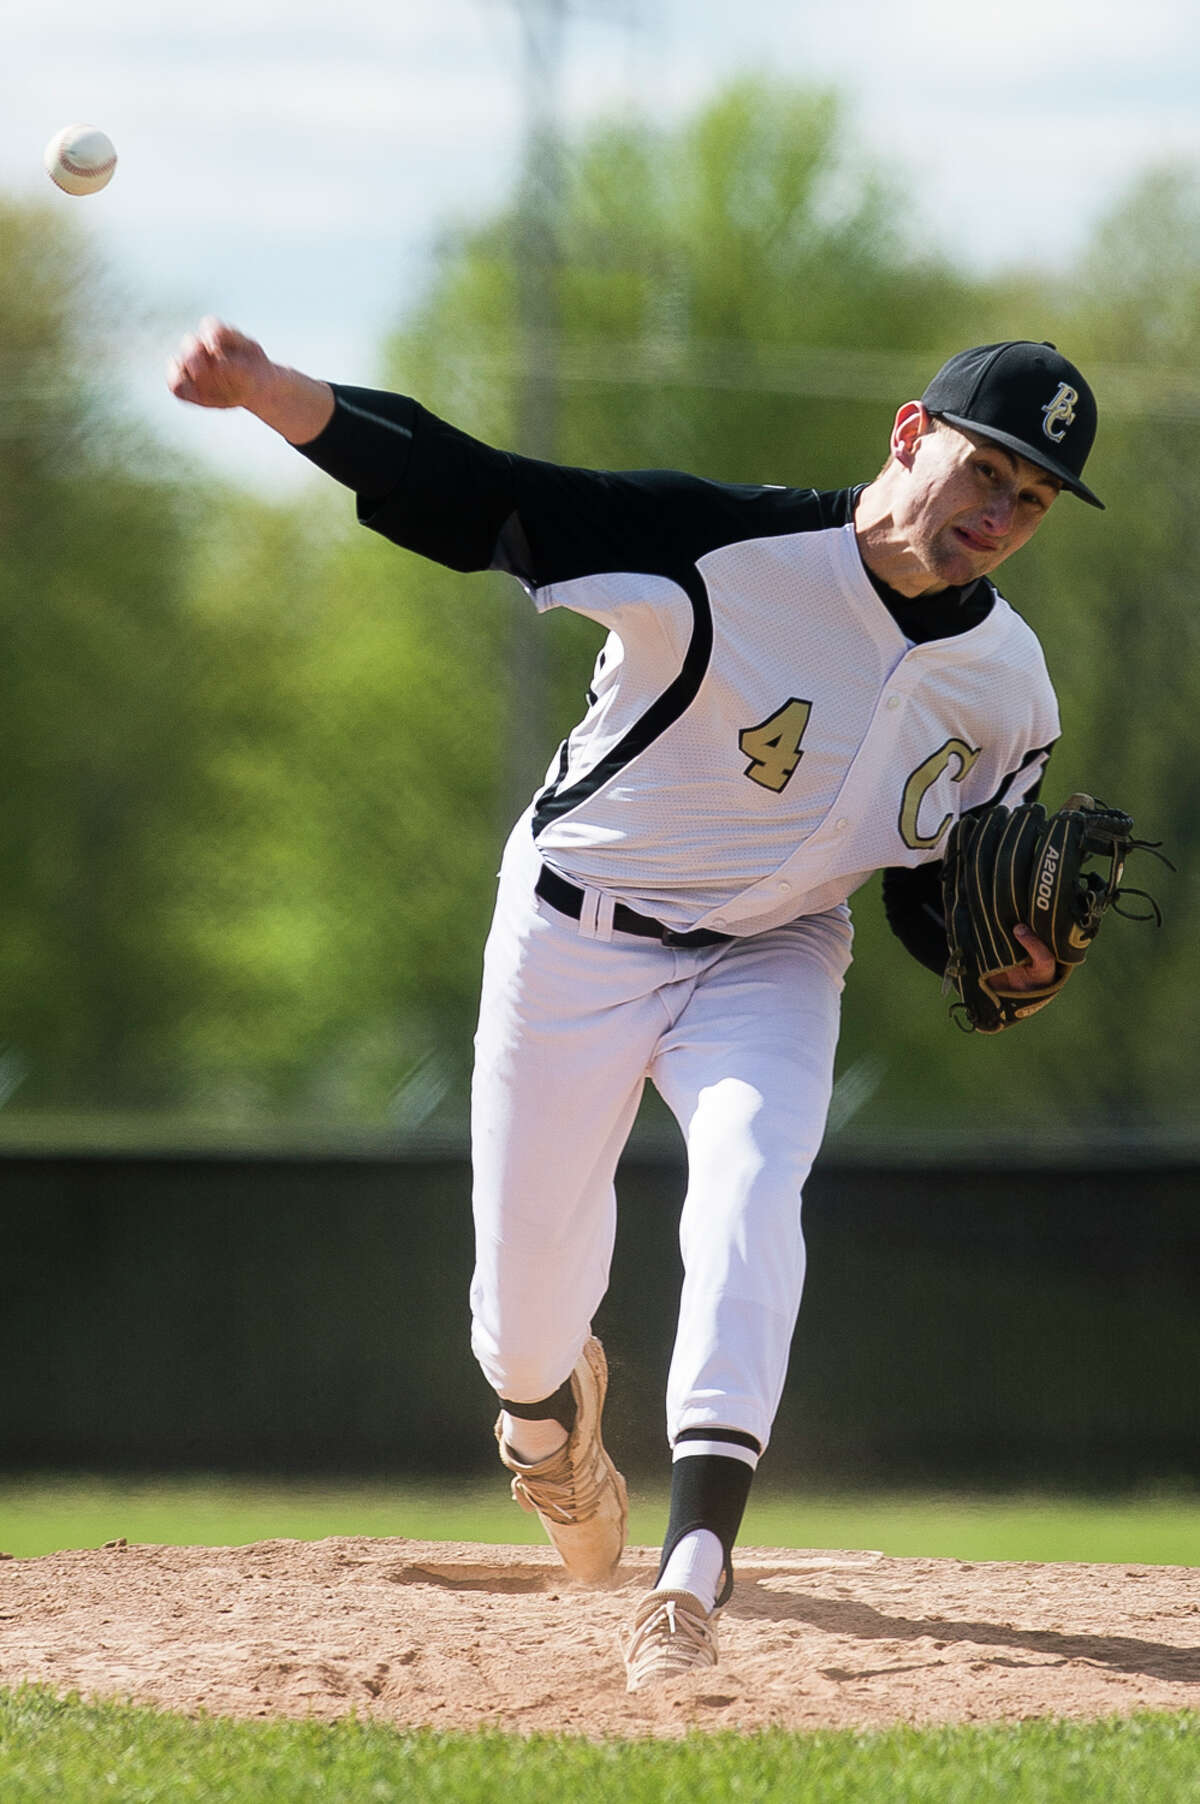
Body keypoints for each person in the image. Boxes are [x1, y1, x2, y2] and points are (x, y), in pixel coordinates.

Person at [168, 324, 1101, 1690]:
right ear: (910, 432)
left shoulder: (1010, 686)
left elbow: (932, 885)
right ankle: (552, 1422)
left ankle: (691, 1571)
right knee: (522, 1330)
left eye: (1033, 500)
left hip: (774, 957)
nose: (1003, 513)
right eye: (989, 468)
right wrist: (272, 396)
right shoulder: (716, 551)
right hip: (576, 937)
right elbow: (478, 491)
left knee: (750, 1180)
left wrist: (998, 949)